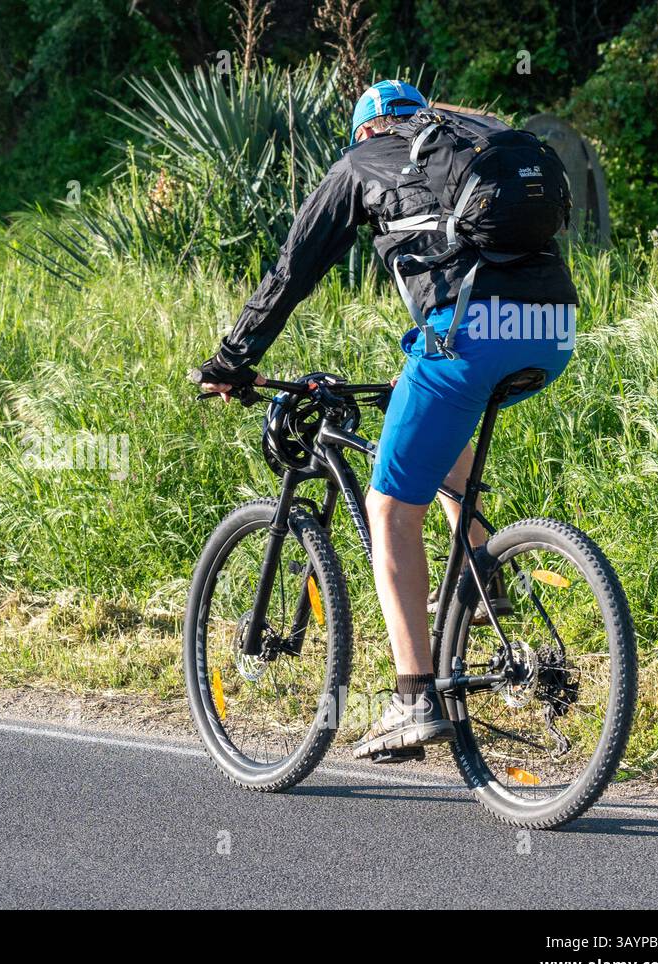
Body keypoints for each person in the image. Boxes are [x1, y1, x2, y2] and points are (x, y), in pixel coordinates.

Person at [194, 80, 577, 759]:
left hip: (467, 335)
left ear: (365, 130)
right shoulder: (470, 140)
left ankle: (413, 699)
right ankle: (481, 586)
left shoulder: (362, 164)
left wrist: (232, 361)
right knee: (441, 442)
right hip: (551, 331)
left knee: (390, 506)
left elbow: (292, 272)